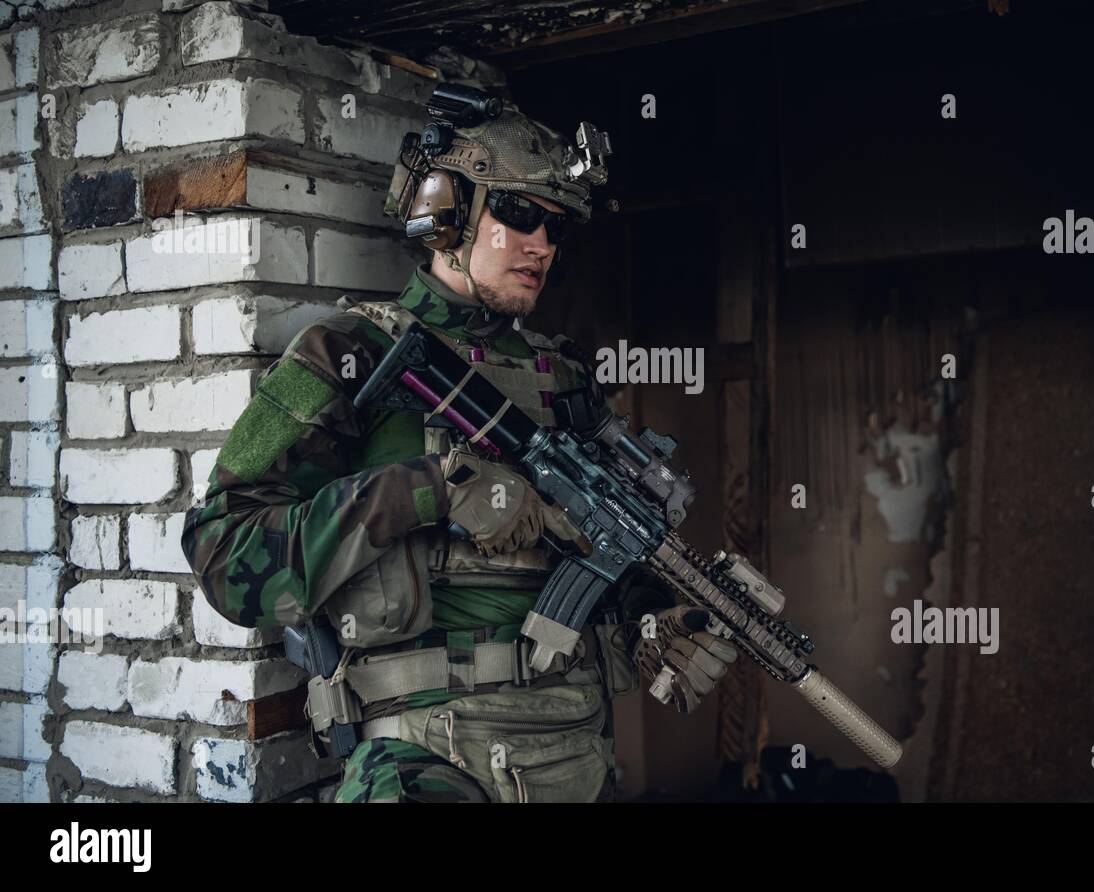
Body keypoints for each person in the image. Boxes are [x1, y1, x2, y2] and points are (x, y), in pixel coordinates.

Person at [182, 89, 738, 803]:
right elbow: (225, 557)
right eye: (518, 213)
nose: (541, 243)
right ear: (448, 213)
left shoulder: (563, 375)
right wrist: (432, 488)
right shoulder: (351, 353)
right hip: (425, 758)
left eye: (556, 226)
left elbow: (599, 552)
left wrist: (652, 616)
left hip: (571, 753)